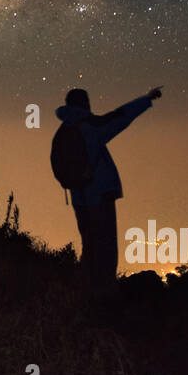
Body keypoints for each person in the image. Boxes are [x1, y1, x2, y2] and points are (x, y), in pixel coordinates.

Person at [55, 85, 162, 298]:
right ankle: (104, 294)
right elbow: (120, 117)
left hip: (78, 197)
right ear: (84, 104)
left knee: (89, 243)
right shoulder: (90, 126)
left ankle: (83, 290)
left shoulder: (62, 133)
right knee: (105, 244)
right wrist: (146, 99)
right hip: (99, 195)